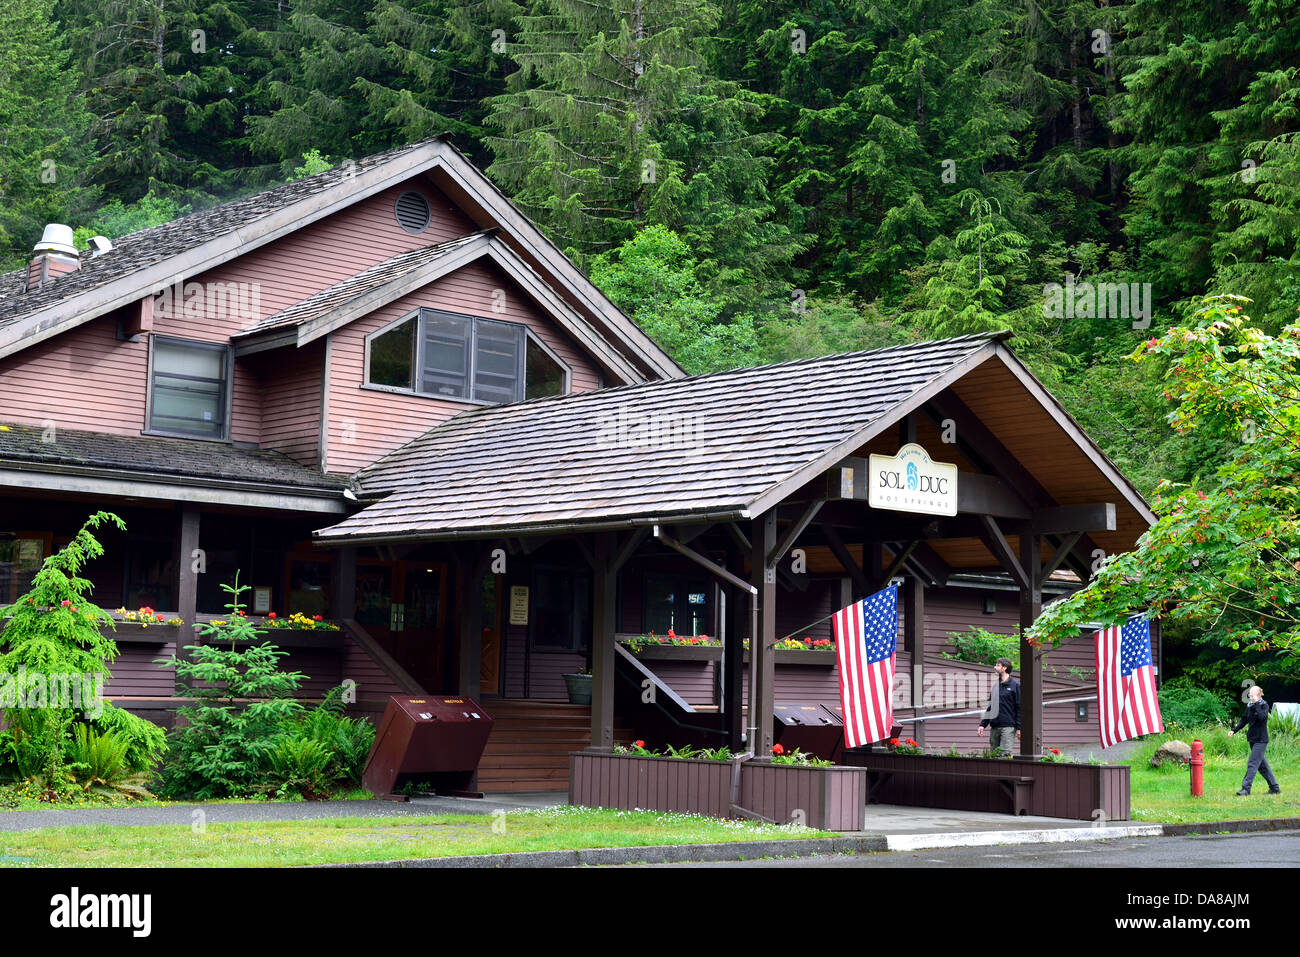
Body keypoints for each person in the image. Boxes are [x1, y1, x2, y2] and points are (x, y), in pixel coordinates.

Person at [1229, 684, 1281, 796]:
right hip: (1252, 740)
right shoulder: (1249, 706)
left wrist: (1257, 703)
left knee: (1252, 763)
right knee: (1263, 767)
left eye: (1252, 695)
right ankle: (1275, 788)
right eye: (1249, 695)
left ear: (1258, 695)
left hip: (1261, 740)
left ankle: (1245, 789)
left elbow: (1262, 717)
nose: (1250, 697)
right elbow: (1243, 721)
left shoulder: (1264, 706)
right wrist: (1234, 730)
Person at [977, 657, 1021, 755]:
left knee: (1004, 756)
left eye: (997, 665)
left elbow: (1019, 707)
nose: (994, 667)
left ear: (1004, 668)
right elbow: (991, 707)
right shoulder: (995, 685)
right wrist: (982, 725)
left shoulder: (1015, 686)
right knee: (993, 756)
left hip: (1008, 727)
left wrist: (1019, 728)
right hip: (995, 727)